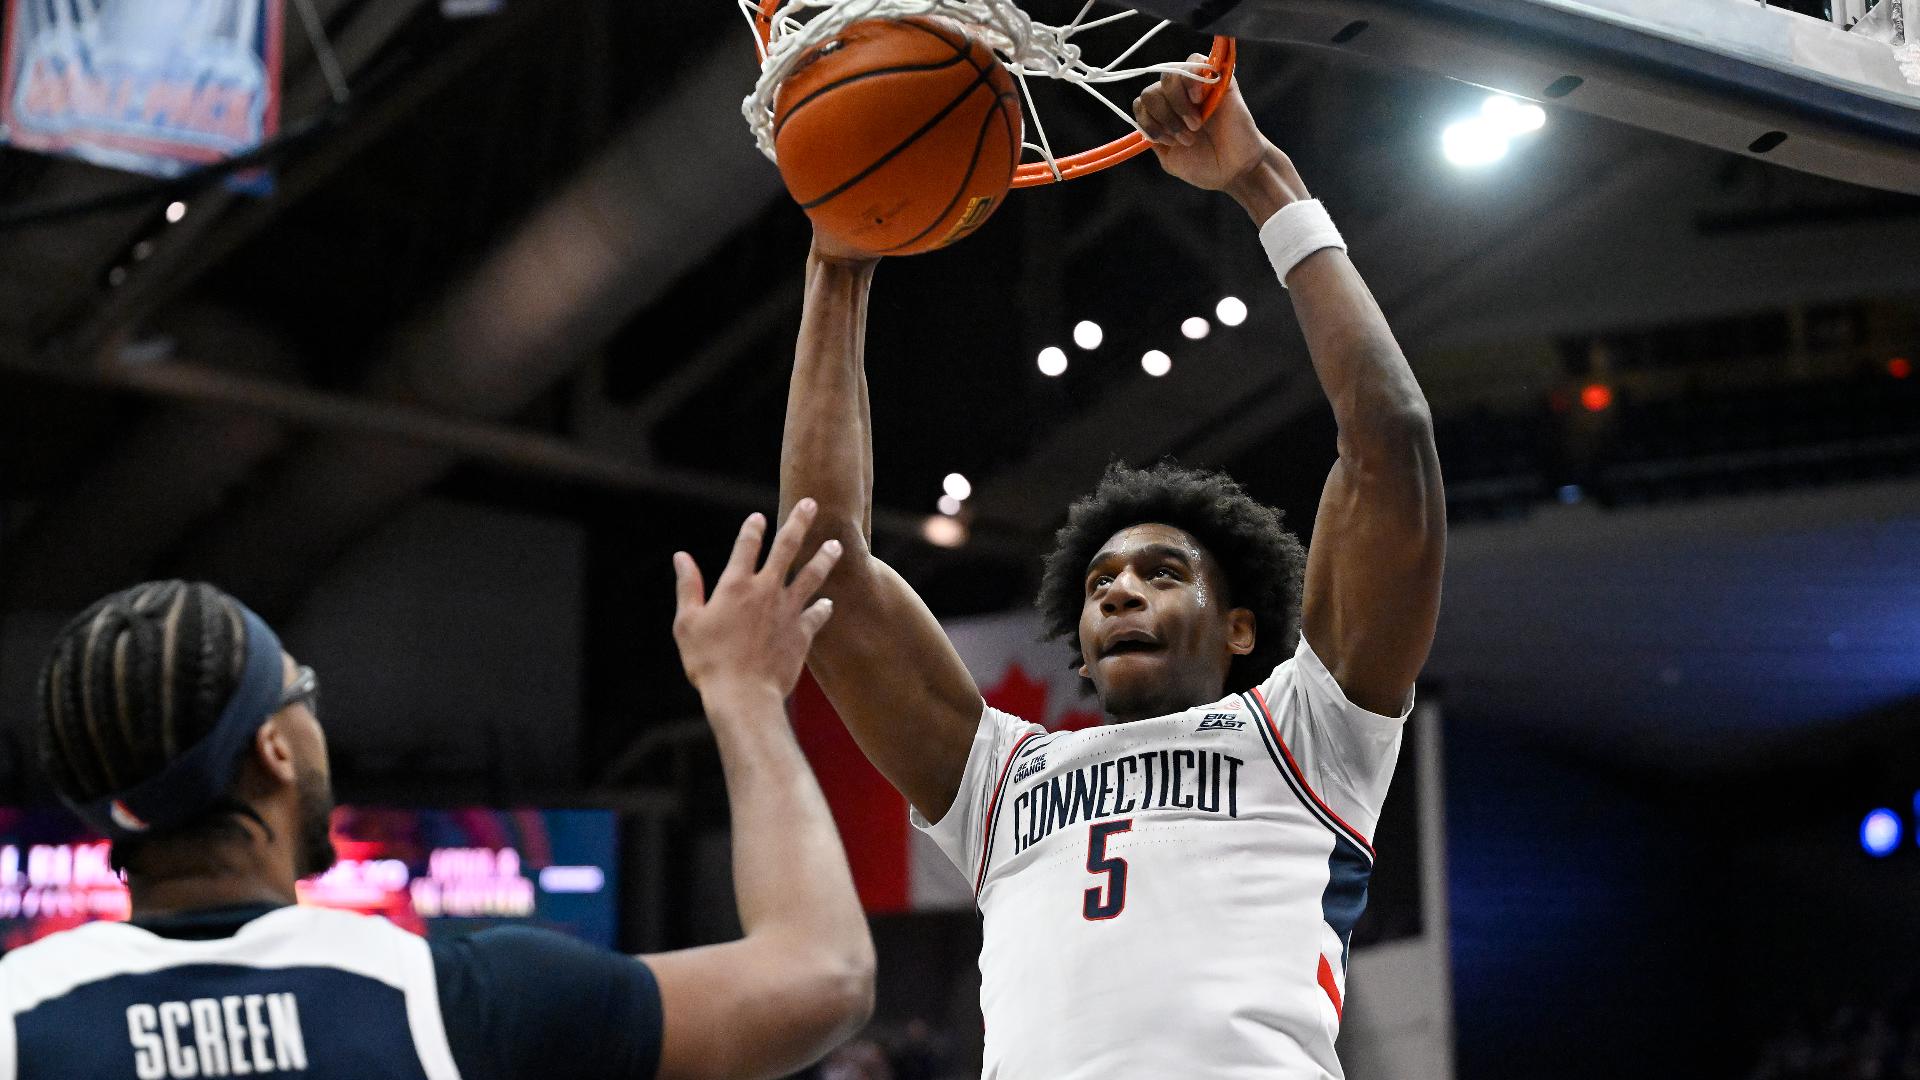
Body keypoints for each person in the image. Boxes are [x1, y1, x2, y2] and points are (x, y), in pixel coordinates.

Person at [779, 60, 1445, 1079]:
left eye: (1161, 573)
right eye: (1099, 587)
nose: (1121, 589)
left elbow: (1388, 442)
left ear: (1237, 627)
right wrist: (838, 264)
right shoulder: (1003, 780)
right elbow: (825, 563)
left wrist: (1263, 180)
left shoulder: (1312, 734)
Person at [0, 501, 874, 1080]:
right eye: (302, 691)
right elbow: (823, 974)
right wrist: (745, 696)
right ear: (272, 748)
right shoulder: (448, 1001)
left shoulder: (16, 1023)